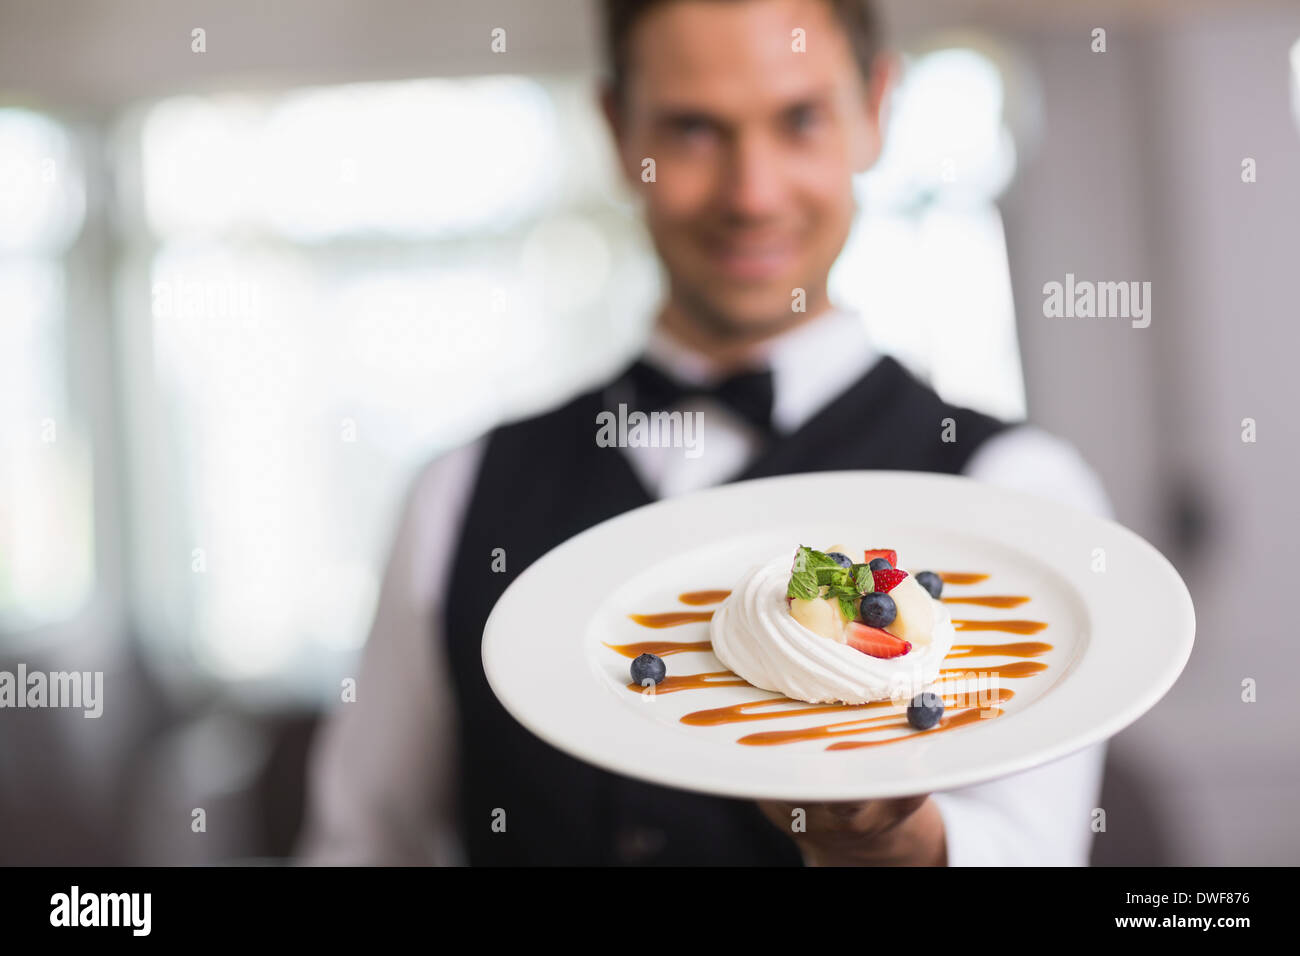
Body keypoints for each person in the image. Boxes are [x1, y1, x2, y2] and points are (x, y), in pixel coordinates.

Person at [296, 0, 1110, 866]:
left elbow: (1029, 850)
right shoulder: (456, 493)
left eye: (800, 119)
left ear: (876, 111)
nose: (752, 195)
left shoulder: (1020, 492)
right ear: (617, 133)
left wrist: (896, 846)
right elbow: (362, 846)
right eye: (692, 130)